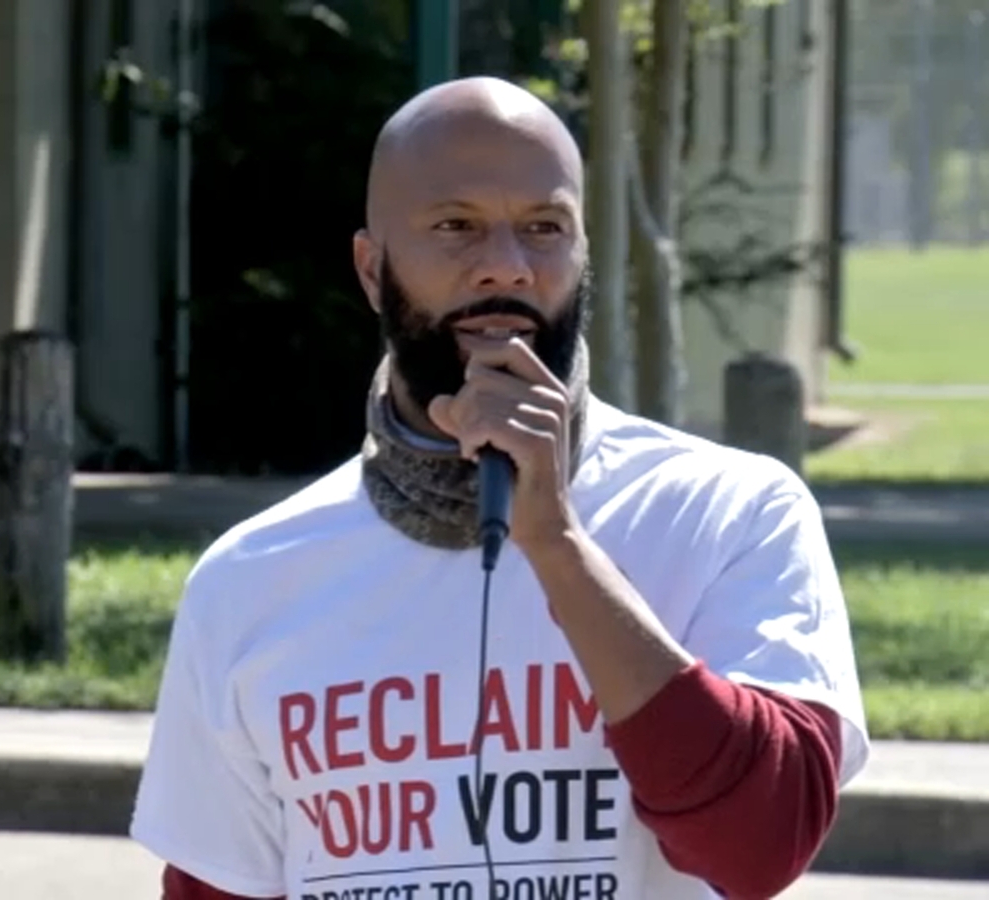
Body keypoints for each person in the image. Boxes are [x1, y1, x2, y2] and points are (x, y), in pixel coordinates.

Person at [128, 76, 868, 900]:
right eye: (456, 227)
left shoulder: (732, 512)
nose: (506, 268)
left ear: (584, 255)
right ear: (373, 271)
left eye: (544, 229)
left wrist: (556, 545)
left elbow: (761, 846)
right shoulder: (251, 579)